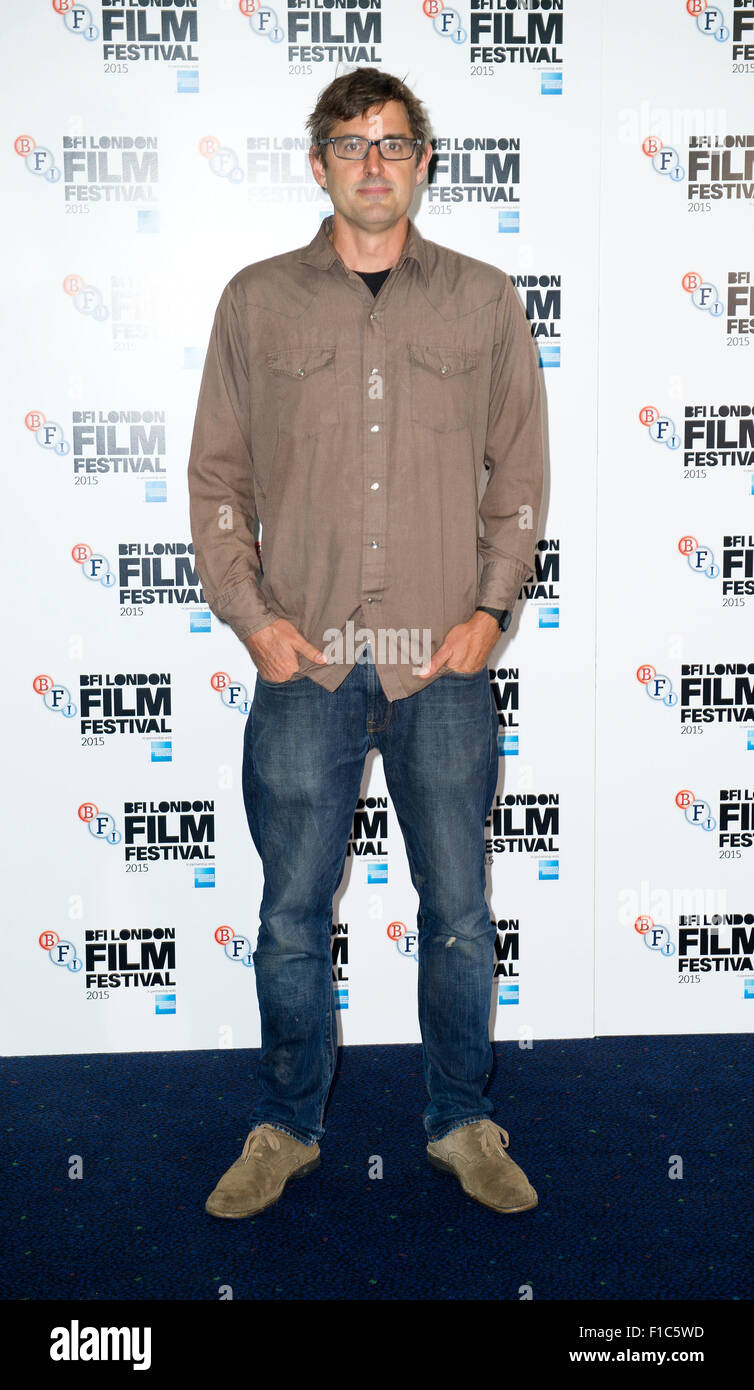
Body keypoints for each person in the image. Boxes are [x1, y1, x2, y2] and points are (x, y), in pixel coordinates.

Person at [188, 68, 544, 1220]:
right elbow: (215, 483)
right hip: (310, 665)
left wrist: (488, 614)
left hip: (440, 664)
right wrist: (255, 621)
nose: (374, 164)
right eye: (352, 144)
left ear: (425, 161)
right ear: (319, 163)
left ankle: (461, 1119)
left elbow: (520, 482)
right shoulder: (255, 302)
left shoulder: (487, 302)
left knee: (456, 912)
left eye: (394, 144)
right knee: (292, 916)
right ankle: (287, 1124)